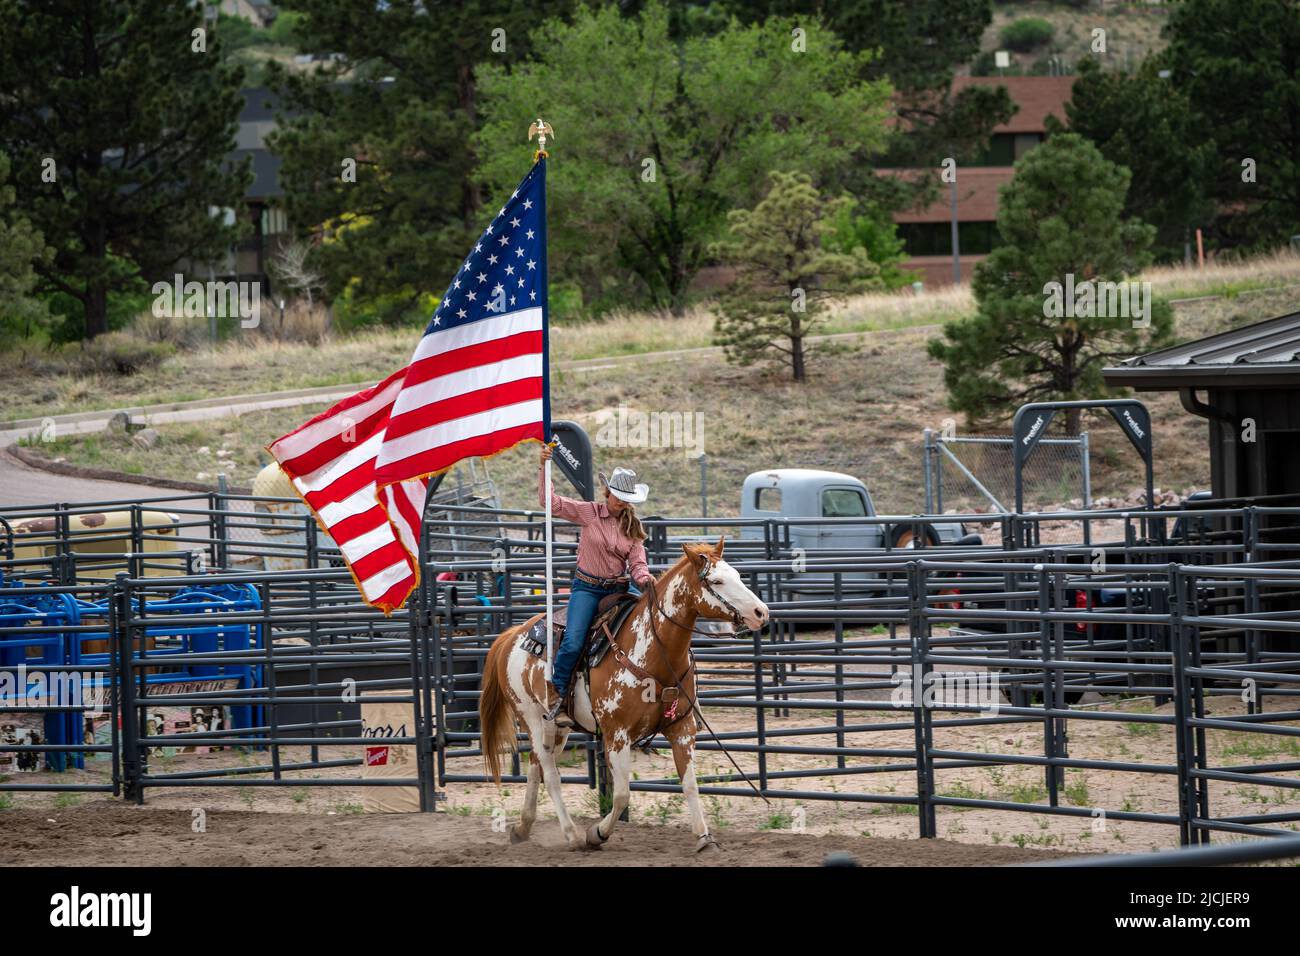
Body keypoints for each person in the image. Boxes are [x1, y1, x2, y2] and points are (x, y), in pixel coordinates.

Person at [539, 442, 654, 726]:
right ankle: (558, 693)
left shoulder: (634, 529)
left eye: (626, 498)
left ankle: (641, 705)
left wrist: (644, 580)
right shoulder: (589, 512)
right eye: (618, 496)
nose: (621, 501)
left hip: (619, 589)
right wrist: (544, 466)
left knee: (646, 634)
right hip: (588, 589)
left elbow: (637, 563)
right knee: (574, 638)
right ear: (609, 492)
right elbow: (551, 503)